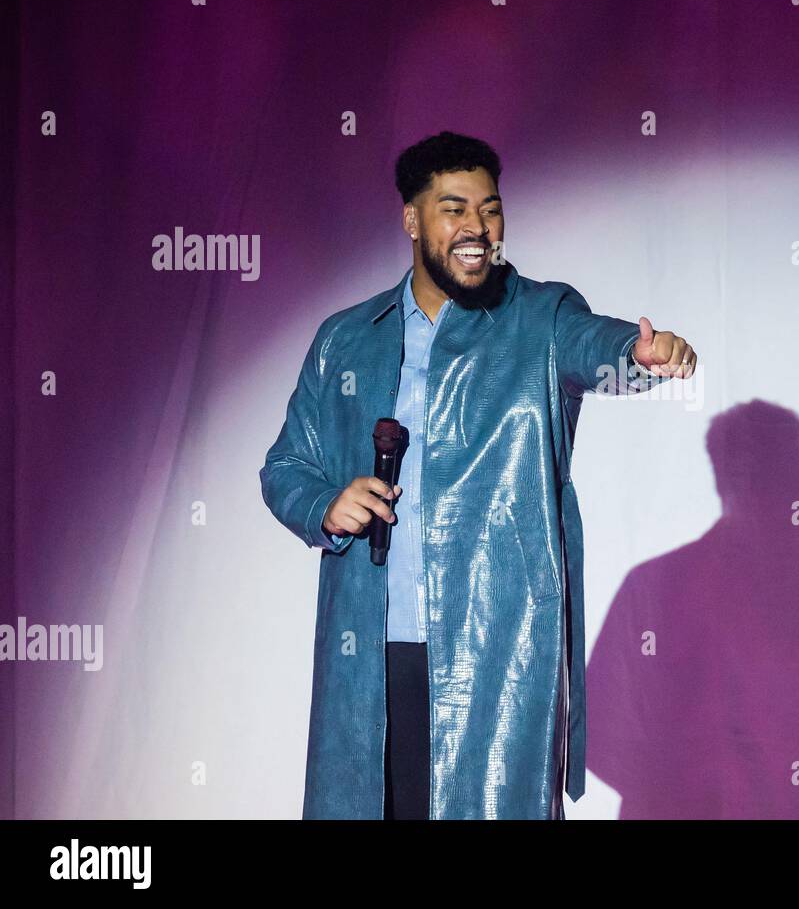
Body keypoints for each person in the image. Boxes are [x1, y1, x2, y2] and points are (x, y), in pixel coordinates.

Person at [259, 131, 696, 819]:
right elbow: (285, 464)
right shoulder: (347, 338)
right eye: (453, 209)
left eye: (489, 210)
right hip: (373, 657)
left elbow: (600, 346)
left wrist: (642, 353)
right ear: (411, 219)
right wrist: (324, 504)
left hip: (497, 652)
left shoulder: (541, 319)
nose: (476, 229)